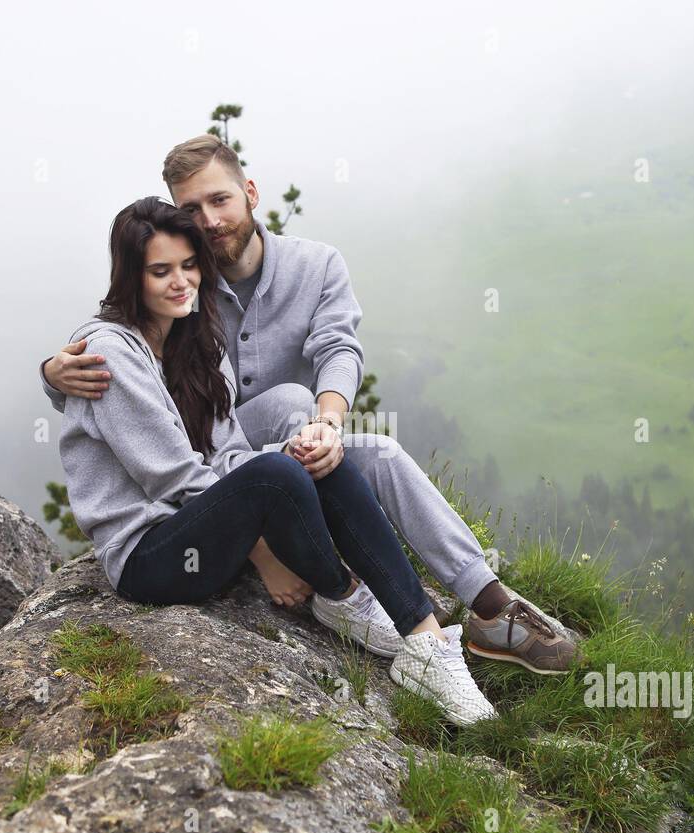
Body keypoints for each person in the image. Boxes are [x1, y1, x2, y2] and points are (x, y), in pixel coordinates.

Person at [43, 134, 581, 675]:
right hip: (206, 465)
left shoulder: (315, 265)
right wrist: (52, 374)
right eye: (191, 209)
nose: (208, 220)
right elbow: (124, 359)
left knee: (369, 448)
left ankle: (490, 606)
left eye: (219, 200)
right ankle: (322, 560)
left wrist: (327, 422)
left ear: (250, 192)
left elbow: (338, 347)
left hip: (260, 447)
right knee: (288, 422)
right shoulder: (182, 282)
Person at [59, 196, 498, 726]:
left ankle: (425, 644)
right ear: (131, 277)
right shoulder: (107, 355)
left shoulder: (195, 336)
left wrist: (285, 470)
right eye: (160, 271)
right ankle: (340, 591)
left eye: (189, 265)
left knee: (315, 454)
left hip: (198, 526)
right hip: (148, 555)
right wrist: (265, 552)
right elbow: (171, 477)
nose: (181, 282)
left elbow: (227, 453)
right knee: (278, 474)